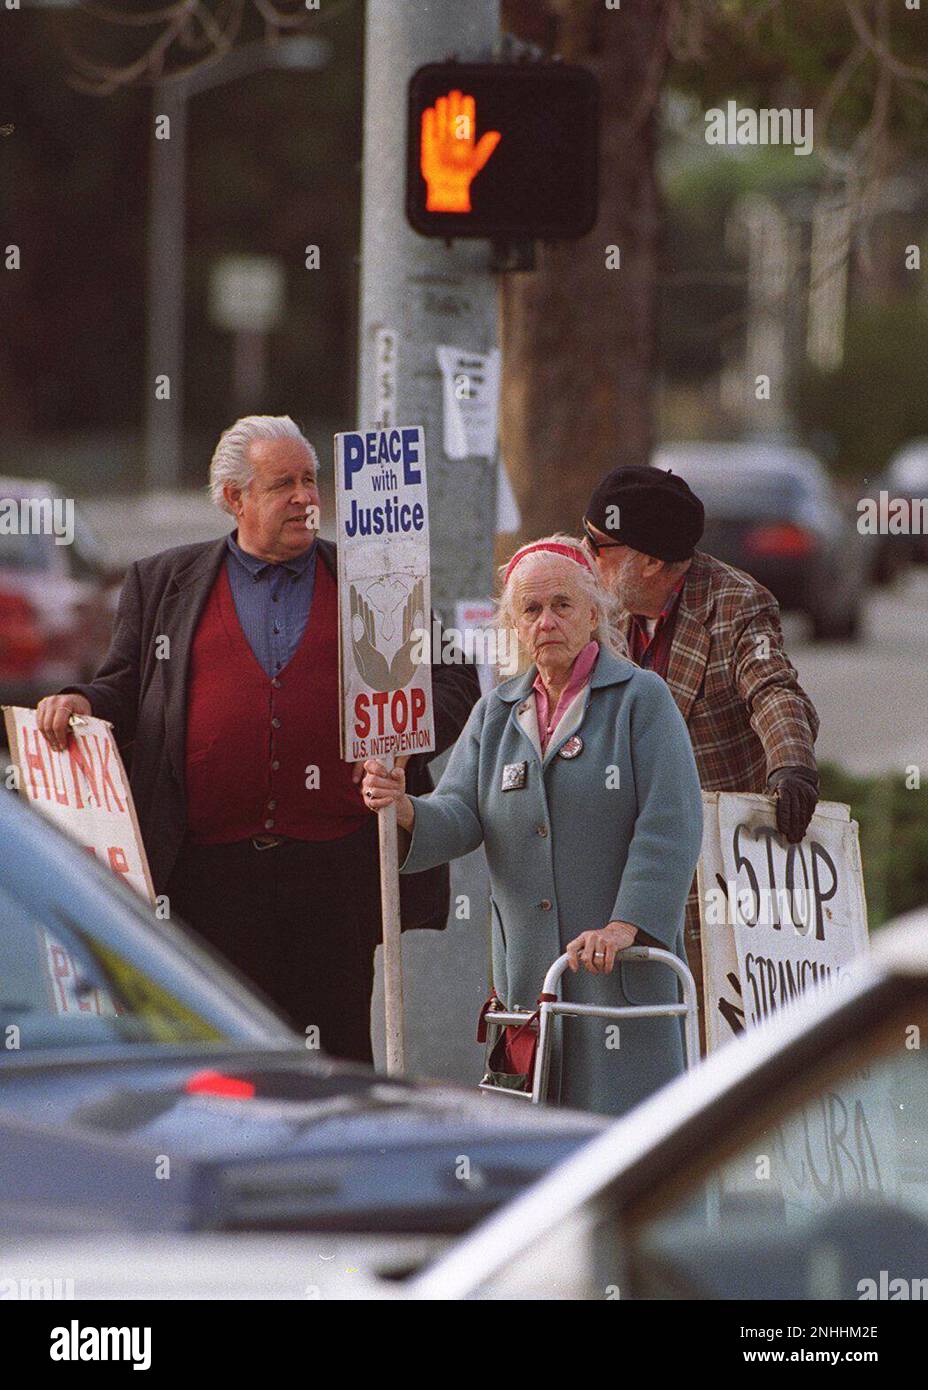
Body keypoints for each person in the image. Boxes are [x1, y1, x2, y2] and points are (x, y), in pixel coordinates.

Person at [36, 415, 479, 1062]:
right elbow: (124, 689)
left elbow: (453, 673)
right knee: (220, 1057)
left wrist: (407, 737)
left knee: (337, 1059)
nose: (307, 498)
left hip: (334, 869)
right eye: (284, 485)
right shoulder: (163, 583)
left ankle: (335, 1163)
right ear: (234, 498)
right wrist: (80, 702)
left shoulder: (373, 576)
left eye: (310, 480)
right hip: (206, 877)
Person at [362, 535, 703, 1118]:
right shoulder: (495, 713)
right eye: (531, 610)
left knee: (623, 1146)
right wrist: (402, 808)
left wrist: (626, 926)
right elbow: (460, 815)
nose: (547, 621)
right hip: (529, 987)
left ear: (594, 614)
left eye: (562, 605)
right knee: (539, 1155)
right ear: (514, 627)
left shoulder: (640, 698)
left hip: (614, 980)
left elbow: (670, 823)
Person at [582, 464, 820, 1051]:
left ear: (655, 563)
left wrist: (791, 765)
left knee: (715, 1041)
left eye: (600, 547)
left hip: (707, 872)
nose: (583, 556)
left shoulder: (737, 604)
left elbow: (774, 688)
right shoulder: (589, 600)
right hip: (611, 864)